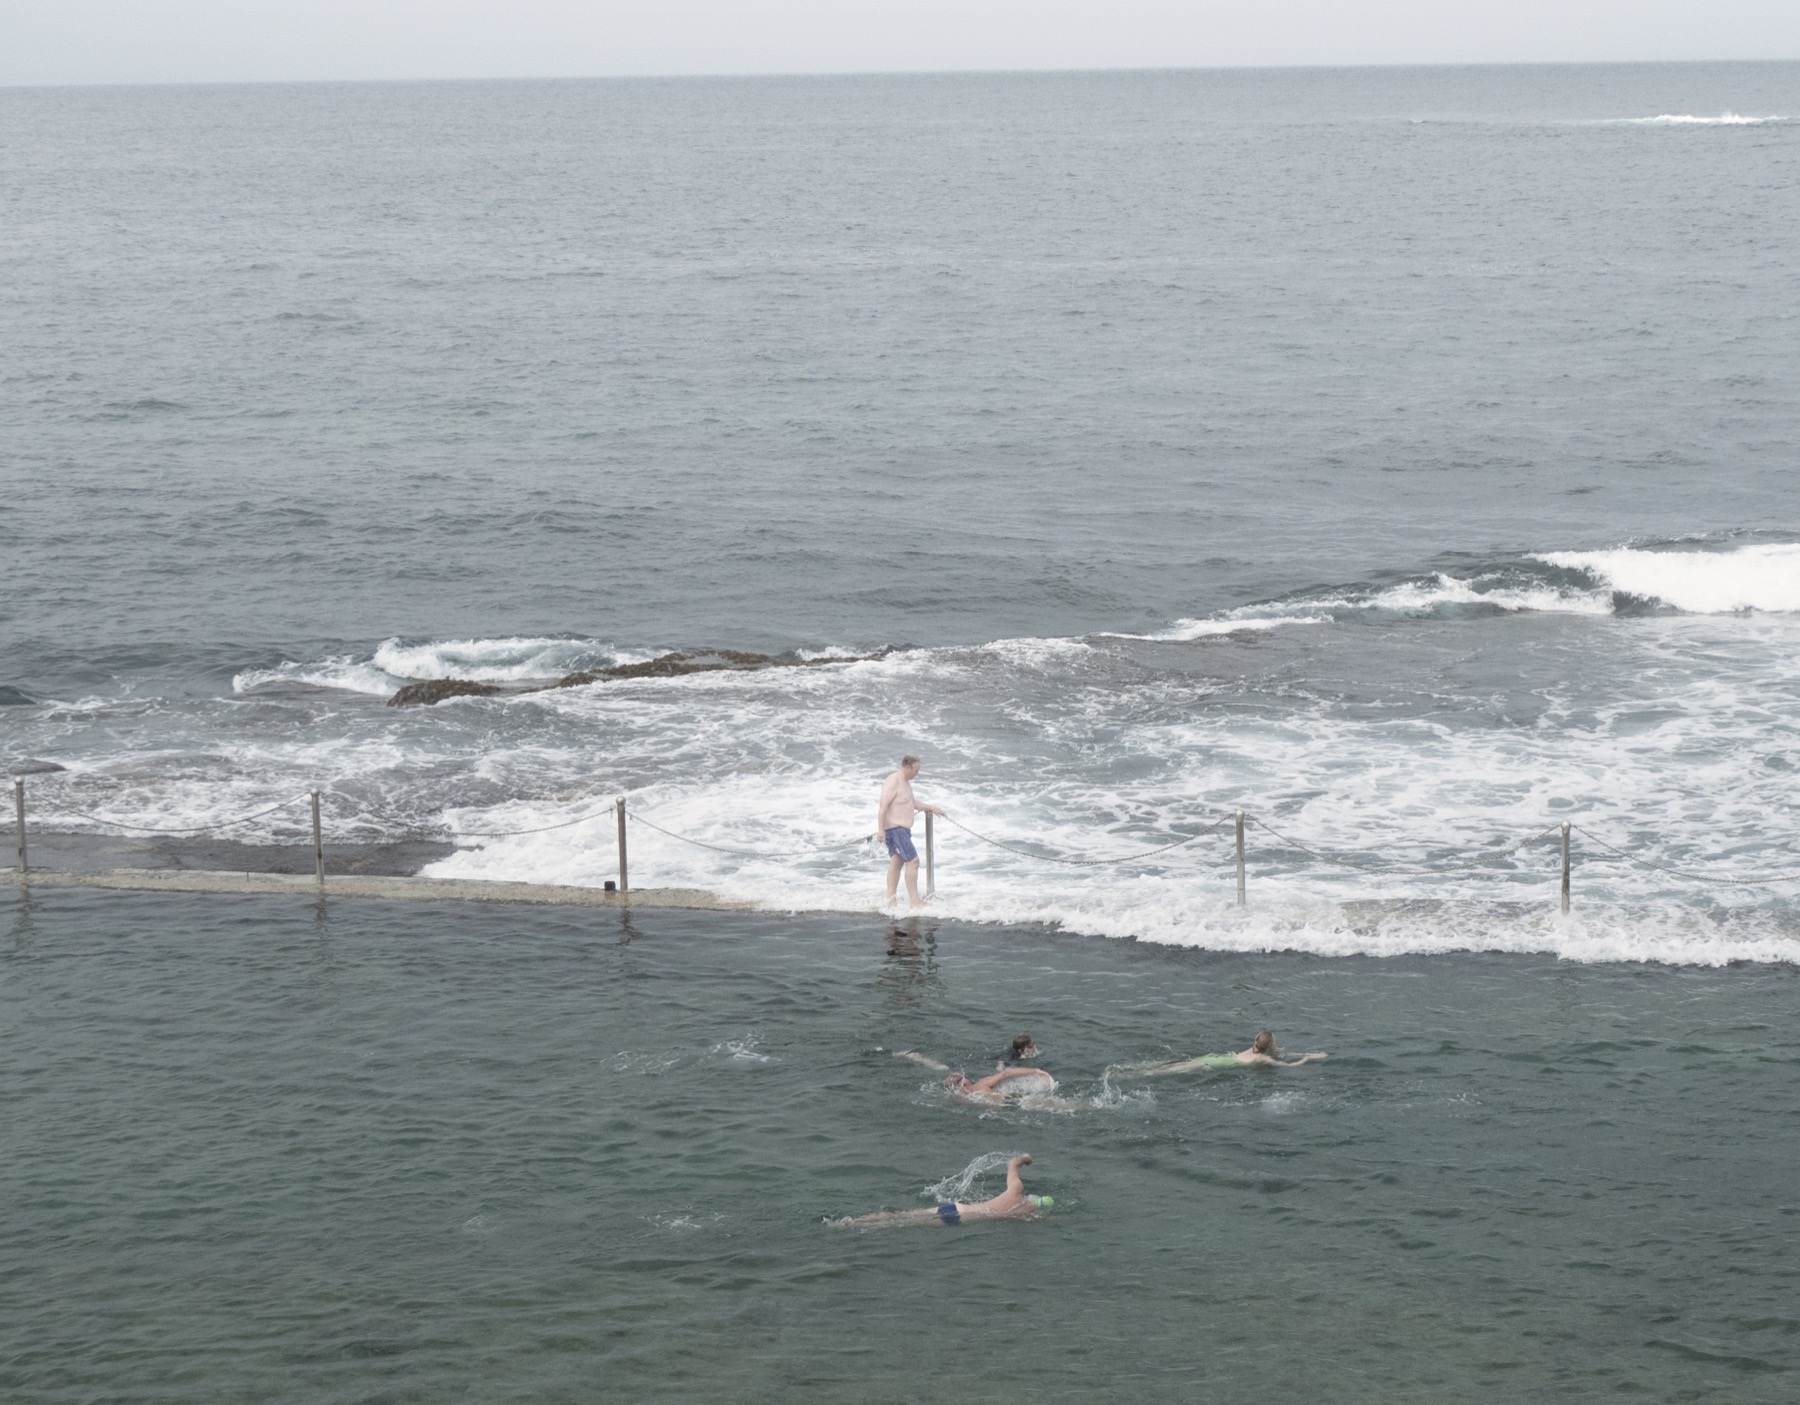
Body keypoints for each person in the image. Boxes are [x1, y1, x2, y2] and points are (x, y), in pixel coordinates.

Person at [833, 1154, 1050, 1228]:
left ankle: (854, 1221)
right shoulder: (1022, 1215)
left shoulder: (1015, 1191)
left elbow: (1013, 1164)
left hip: (956, 1208)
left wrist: (1026, 1159)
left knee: (901, 1216)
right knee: (902, 1223)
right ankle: (855, 1226)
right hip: (958, 1220)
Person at [876, 753, 946, 909]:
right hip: (895, 829)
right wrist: (881, 830)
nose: (917, 774)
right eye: (916, 770)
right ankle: (914, 900)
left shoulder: (906, 783)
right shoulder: (893, 781)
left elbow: (911, 803)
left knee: (897, 862)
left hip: (903, 830)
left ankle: (891, 900)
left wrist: (931, 808)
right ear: (907, 767)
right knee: (913, 861)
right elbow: (883, 807)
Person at [1135, 1030, 1328, 1076]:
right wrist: (1307, 1059)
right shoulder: (1261, 1059)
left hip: (1216, 1057)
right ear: (1268, 1047)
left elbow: (1283, 1052)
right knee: (1169, 1072)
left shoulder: (1253, 1049)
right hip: (1217, 1065)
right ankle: (1139, 1074)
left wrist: (1307, 1051)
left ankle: (1139, 1068)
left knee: (1173, 1064)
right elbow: (1288, 1064)